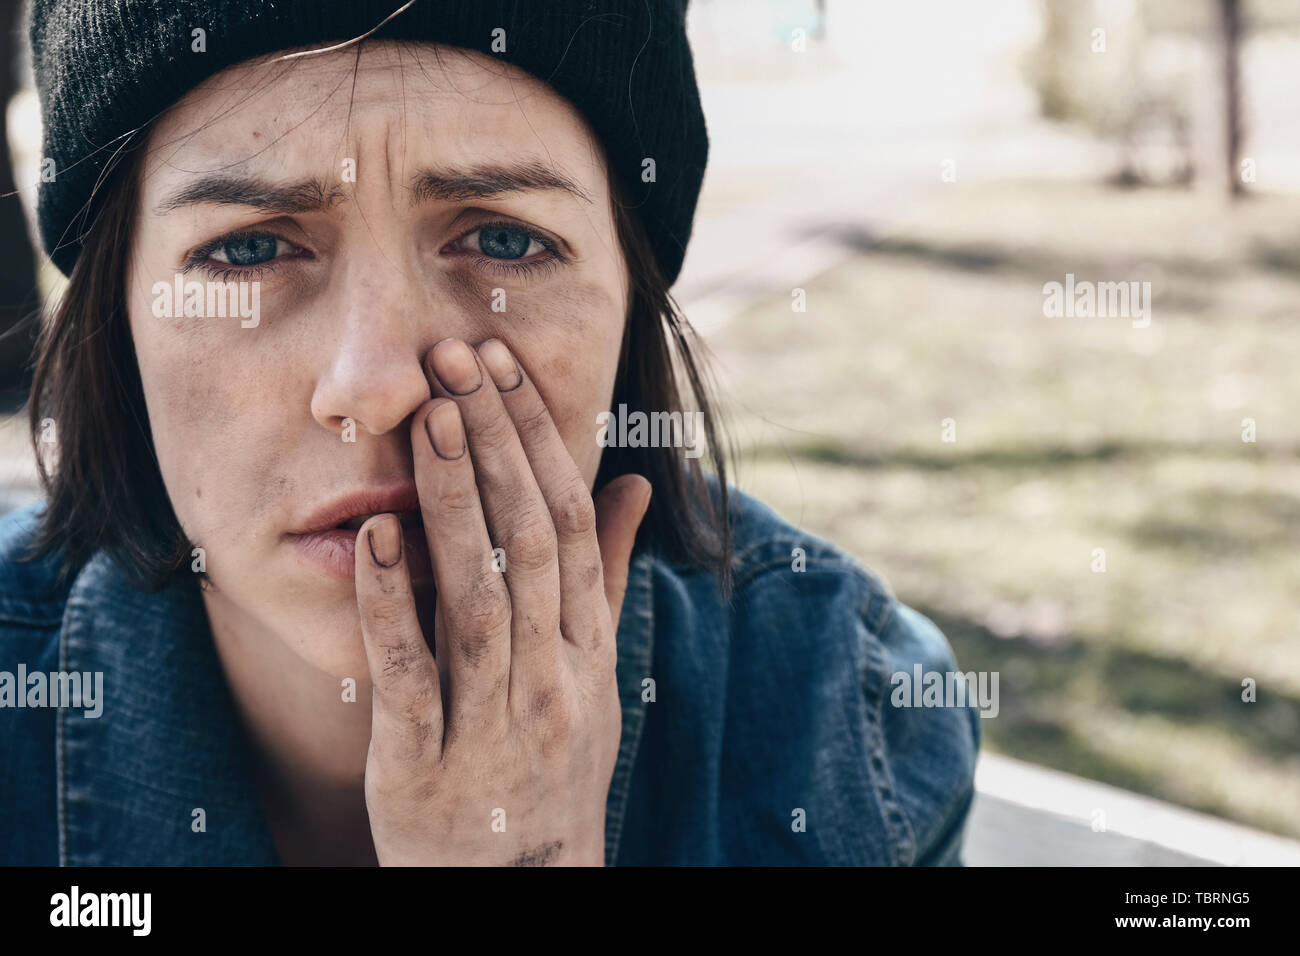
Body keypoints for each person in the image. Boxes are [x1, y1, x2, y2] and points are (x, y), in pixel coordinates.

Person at [0, 0, 979, 866]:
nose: (375, 385)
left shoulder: (841, 724)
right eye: (248, 248)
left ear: (632, 301)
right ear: (116, 321)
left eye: (503, 240)